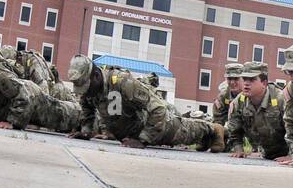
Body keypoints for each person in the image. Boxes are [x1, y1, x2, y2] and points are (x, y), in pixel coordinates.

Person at [68, 55, 222, 151]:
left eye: (86, 87)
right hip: (130, 133)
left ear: (95, 76)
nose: (85, 92)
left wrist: (143, 140)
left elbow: (158, 109)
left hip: (161, 128)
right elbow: (87, 107)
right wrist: (86, 130)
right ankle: (206, 137)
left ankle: (215, 129)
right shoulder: (90, 89)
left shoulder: (122, 82)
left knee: (187, 131)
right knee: (191, 134)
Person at [0, 28, 80, 132]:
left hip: (34, 103)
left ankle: (93, 119)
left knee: (67, 117)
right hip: (23, 109)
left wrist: (13, 122)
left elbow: (23, 92)